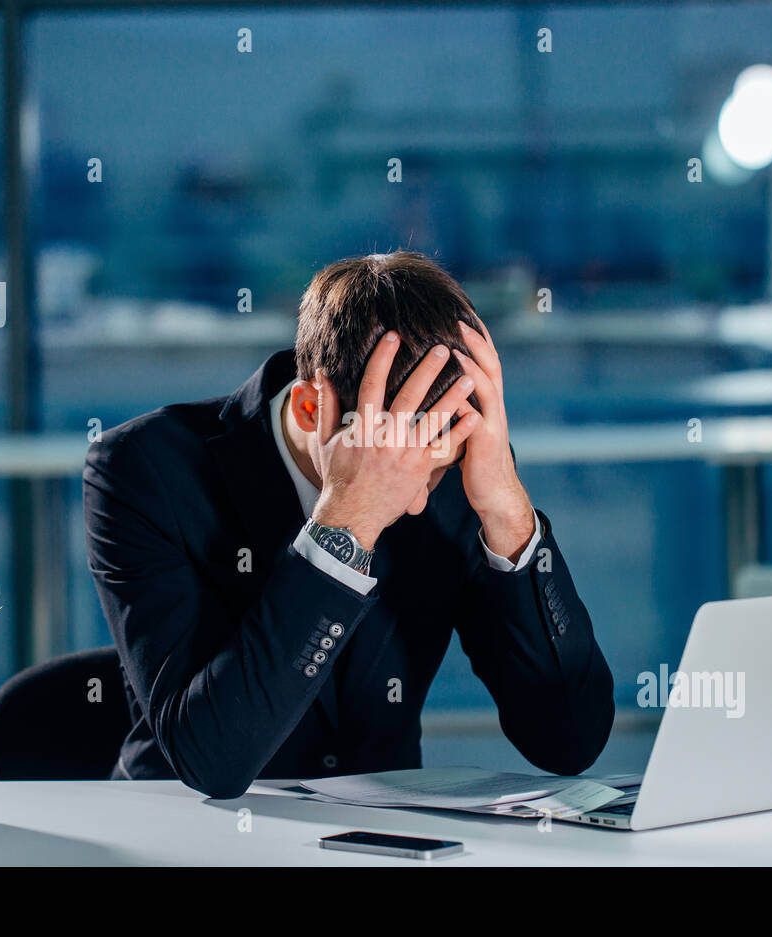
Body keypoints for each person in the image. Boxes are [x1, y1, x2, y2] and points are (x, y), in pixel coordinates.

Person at [83, 251, 614, 797]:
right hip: (180, 830)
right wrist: (346, 524)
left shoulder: (461, 465)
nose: (413, 503)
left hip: (384, 838)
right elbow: (212, 762)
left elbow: (570, 741)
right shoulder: (142, 468)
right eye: (393, 459)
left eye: (431, 470)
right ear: (311, 409)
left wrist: (510, 515)